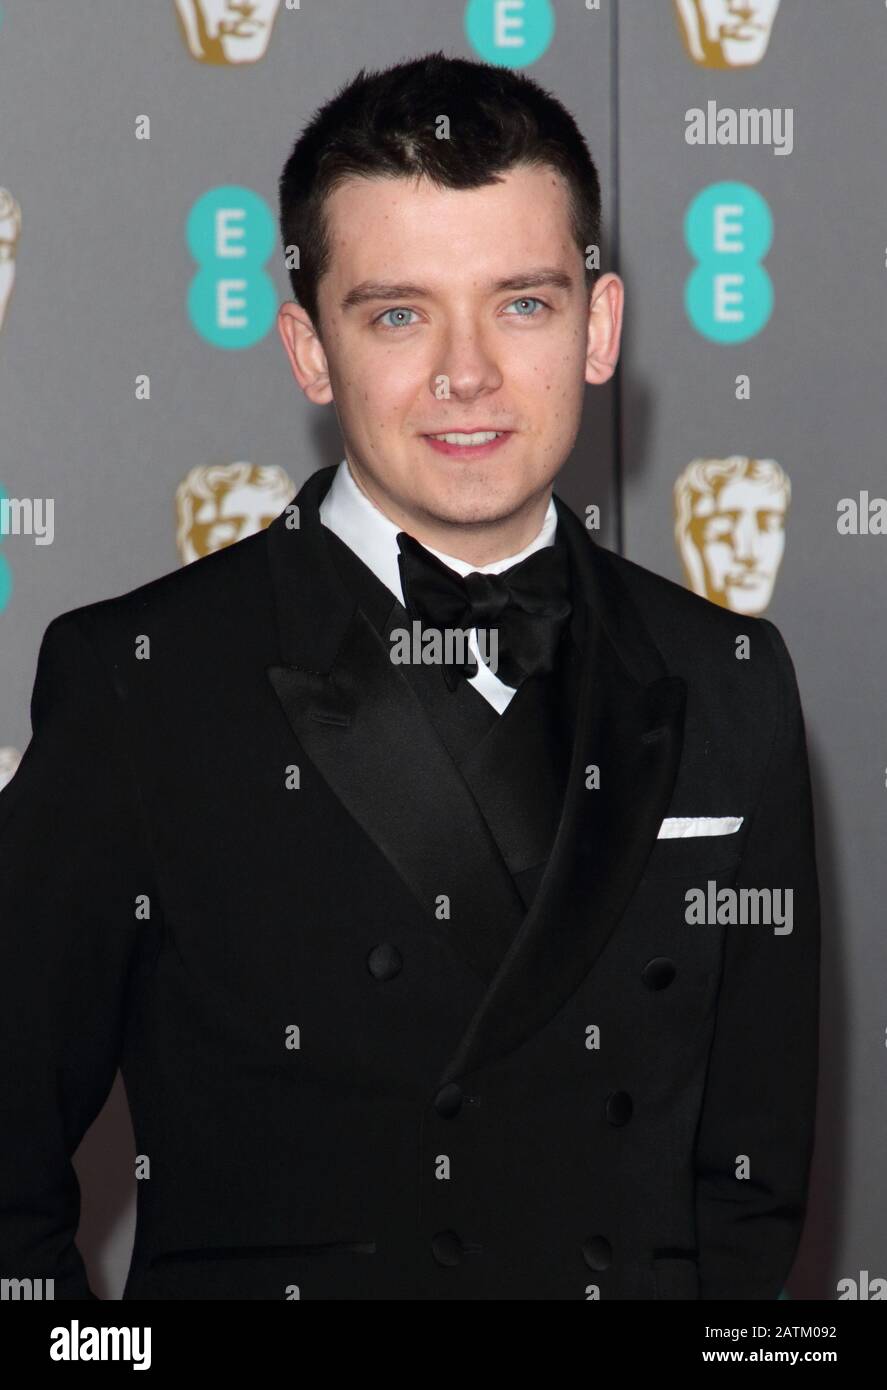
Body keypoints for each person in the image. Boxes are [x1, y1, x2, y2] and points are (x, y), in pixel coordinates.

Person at [0, 51, 819, 1301]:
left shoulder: (730, 677)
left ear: (599, 328)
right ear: (307, 350)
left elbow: (749, 1186)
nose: (465, 374)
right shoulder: (141, 683)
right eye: (396, 313)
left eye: (522, 303)